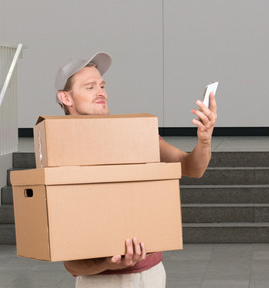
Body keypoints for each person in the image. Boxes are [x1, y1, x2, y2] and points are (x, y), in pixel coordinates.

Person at [55, 52, 217, 288]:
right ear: (66, 98)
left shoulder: (134, 134)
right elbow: (69, 259)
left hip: (150, 275)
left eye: (102, 85)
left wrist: (204, 140)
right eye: (90, 87)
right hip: (98, 282)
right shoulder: (60, 151)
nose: (101, 91)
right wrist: (111, 264)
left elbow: (191, 167)